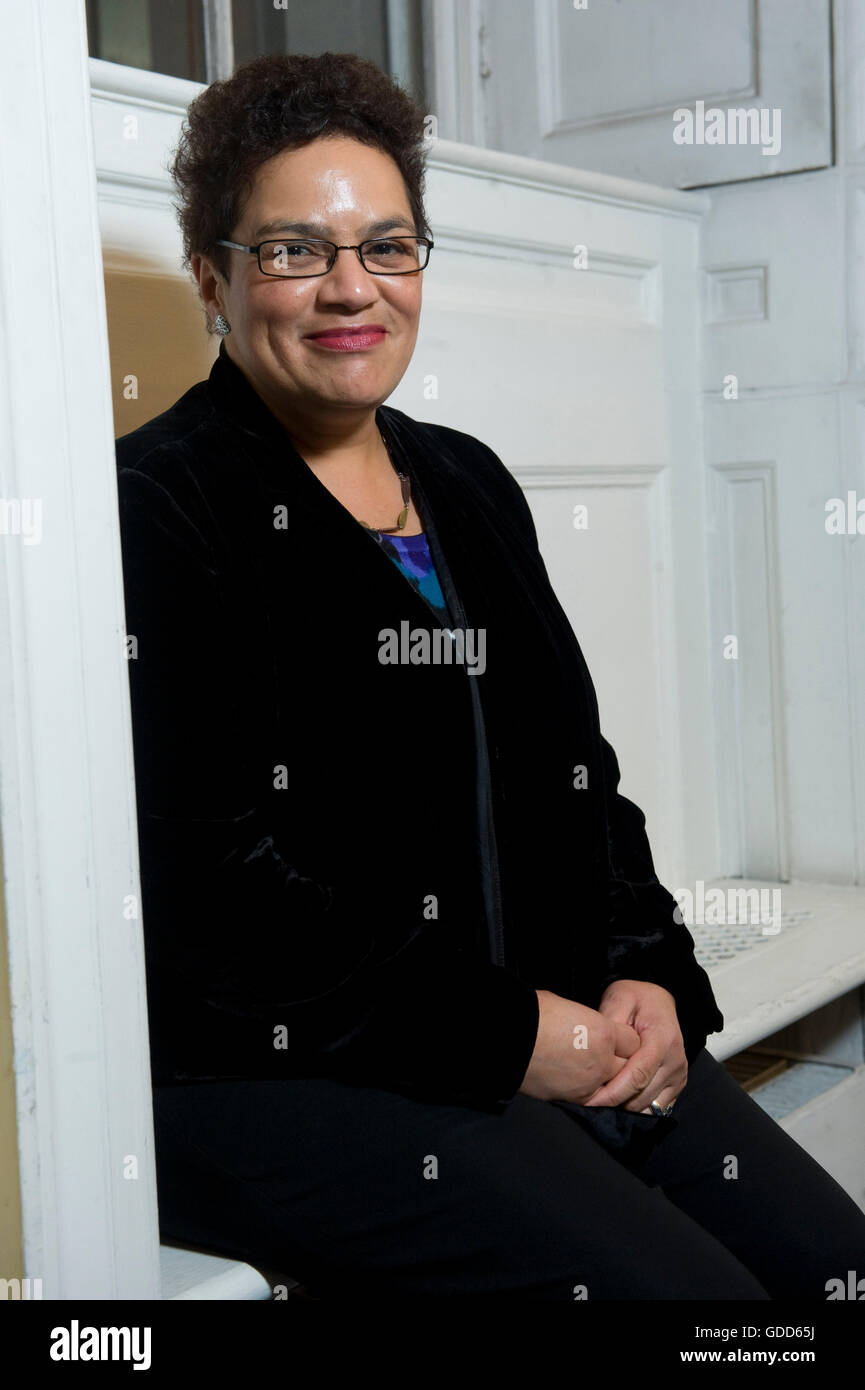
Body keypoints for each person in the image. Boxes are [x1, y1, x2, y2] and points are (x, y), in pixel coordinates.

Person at [115, 52, 865, 1301]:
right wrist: (519, 1037)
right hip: (287, 1075)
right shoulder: (162, 504)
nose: (351, 288)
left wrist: (648, 975)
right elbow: (216, 898)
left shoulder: (463, 479)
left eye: (387, 245)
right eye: (296, 250)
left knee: (837, 1275)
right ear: (215, 278)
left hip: (541, 1027)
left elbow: (581, 783)